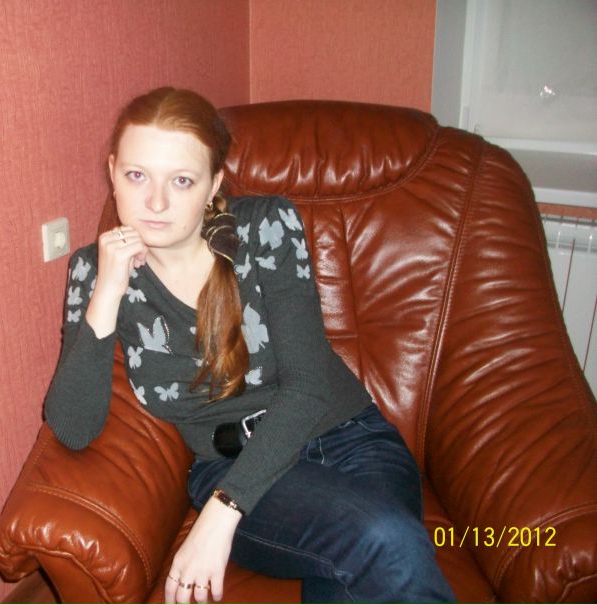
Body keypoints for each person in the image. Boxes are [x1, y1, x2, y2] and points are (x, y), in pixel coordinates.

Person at [44, 87, 456, 604]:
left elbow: (308, 387)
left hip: (351, 440)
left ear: (214, 184)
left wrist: (221, 514)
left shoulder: (265, 228)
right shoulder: (94, 271)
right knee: (385, 538)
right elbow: (73, 427)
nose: (156, 202)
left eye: (181, 180)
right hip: (231, 462)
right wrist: (107, 291)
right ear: (112, 172)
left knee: (362, 565)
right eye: (137, 175)